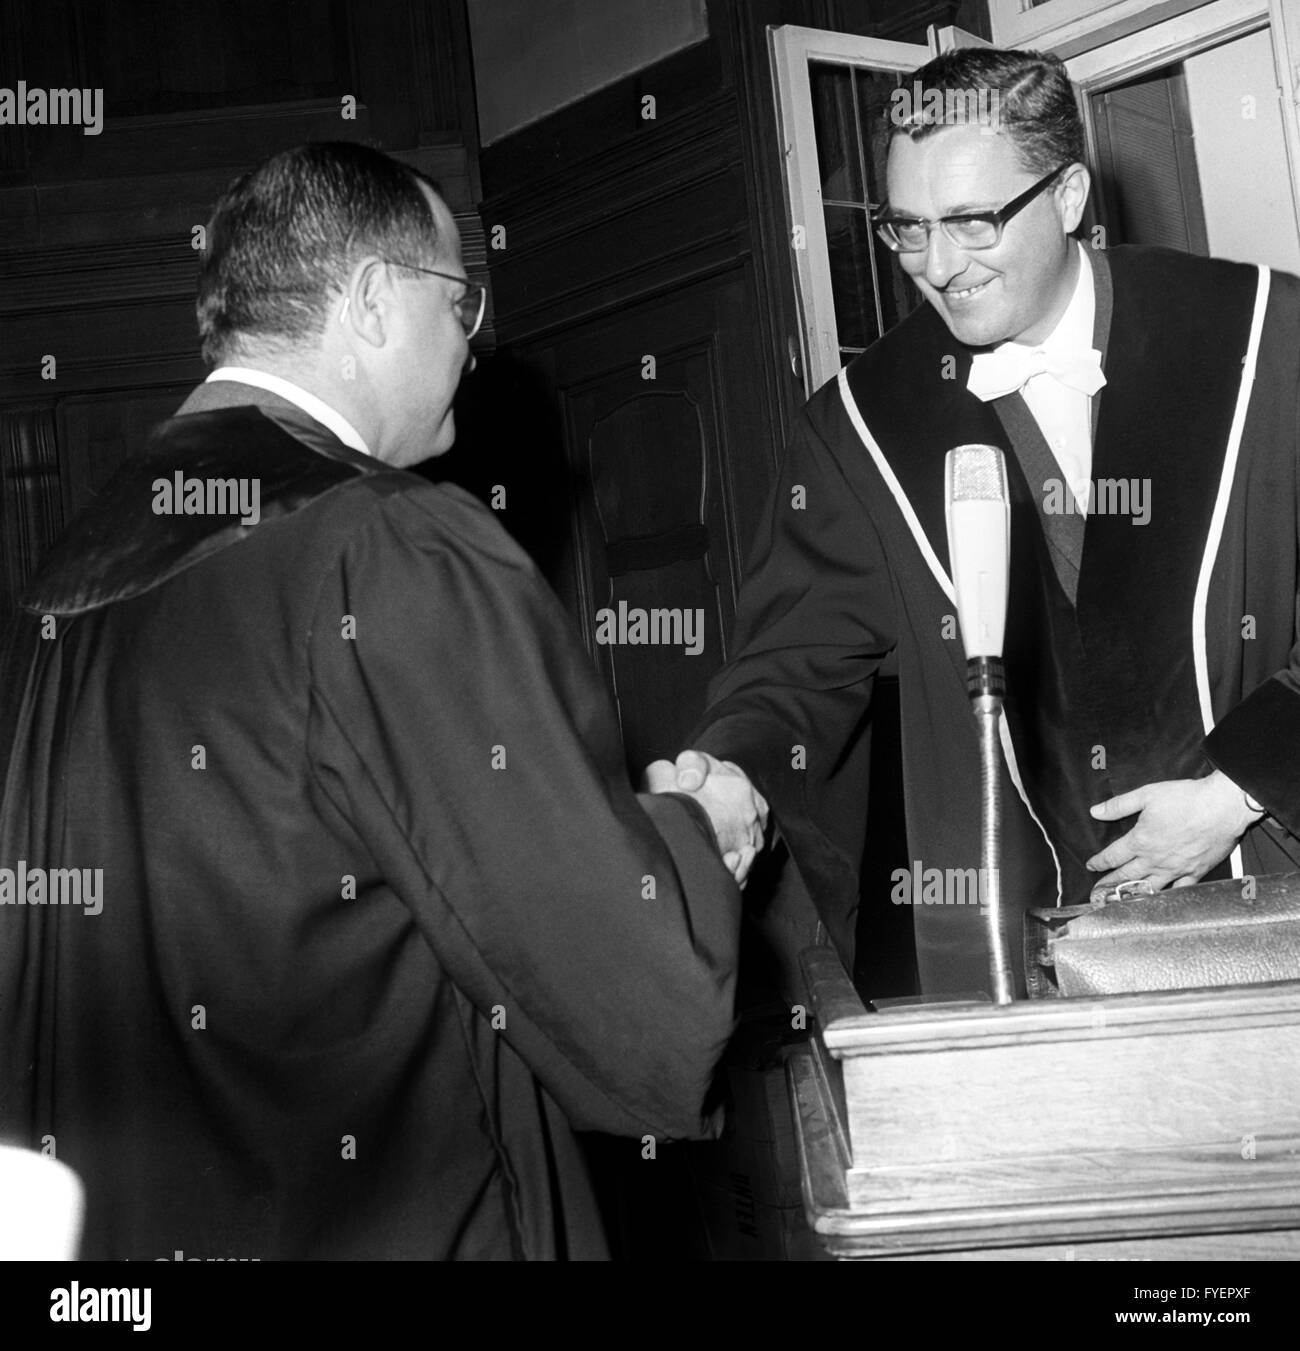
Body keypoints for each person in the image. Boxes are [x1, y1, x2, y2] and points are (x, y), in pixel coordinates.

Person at [0, 142, 762, 1260]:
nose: (473, 338)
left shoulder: (70, 565)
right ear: (368, 301)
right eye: (460, 301)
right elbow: (627, 1005)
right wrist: (701, 837)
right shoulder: (387, 542)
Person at [656, 47, 1300, 998]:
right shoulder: (861, 425)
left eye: (971, 222)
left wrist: (1237, 790)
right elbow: (792, 665)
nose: (936, 267)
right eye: (906, 229)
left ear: (1071, 193)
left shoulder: (1265, 336)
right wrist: (731, 775)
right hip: (1020, 939)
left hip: (1268, 885)